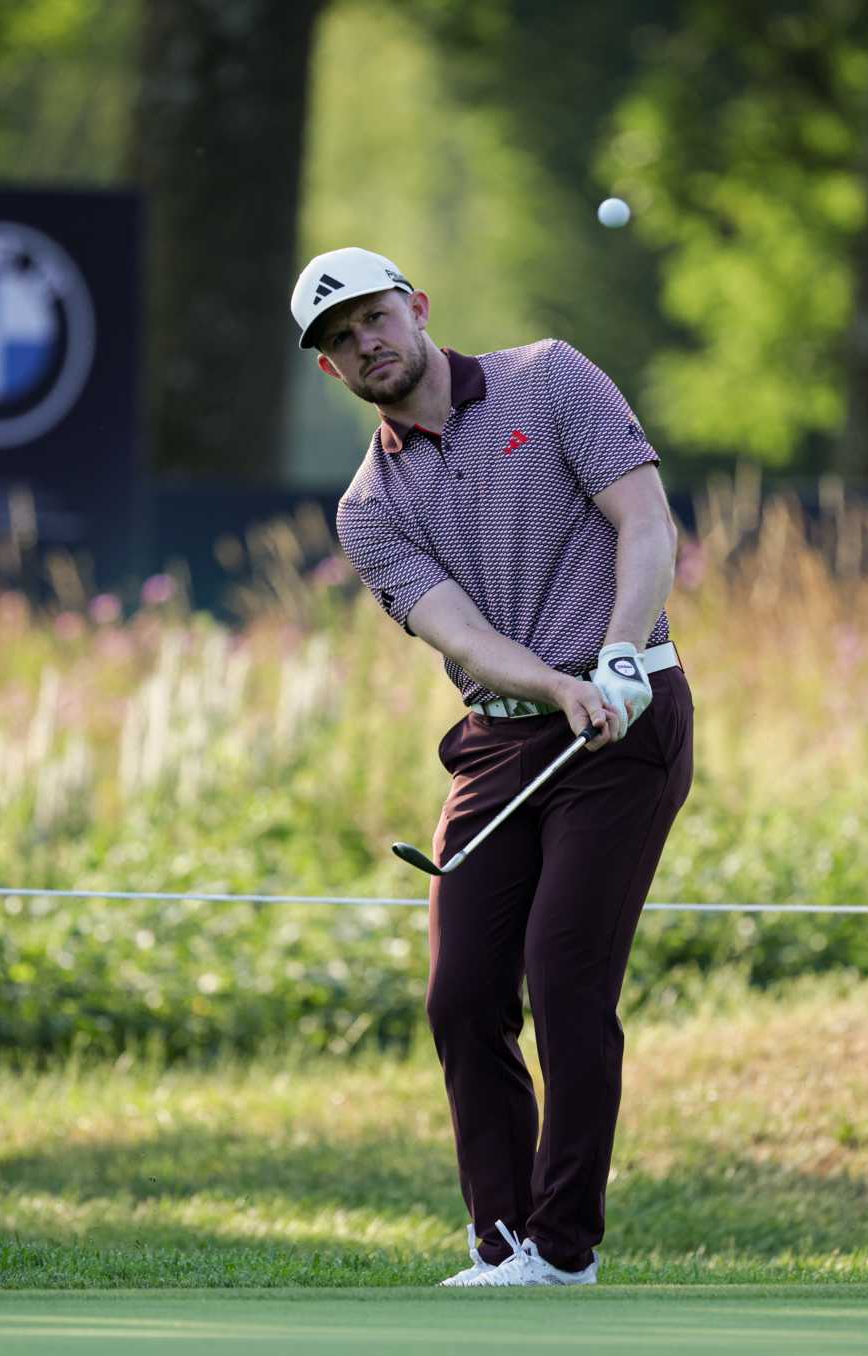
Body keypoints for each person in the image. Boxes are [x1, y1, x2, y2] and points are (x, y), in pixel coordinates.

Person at [293, 247, 691, 1284]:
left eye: (374, 317)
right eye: (339, 340)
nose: (364, 342)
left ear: (418, 307)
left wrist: (615, 649)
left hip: (625, 716)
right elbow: (458, 633)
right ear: (331, 372)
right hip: (508, 737)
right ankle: (499, 1237)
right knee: (462, 995)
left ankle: (563, 1250)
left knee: (564, 981)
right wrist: (556, 688)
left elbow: (644, 520)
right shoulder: (367, 508)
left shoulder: (548, 376)